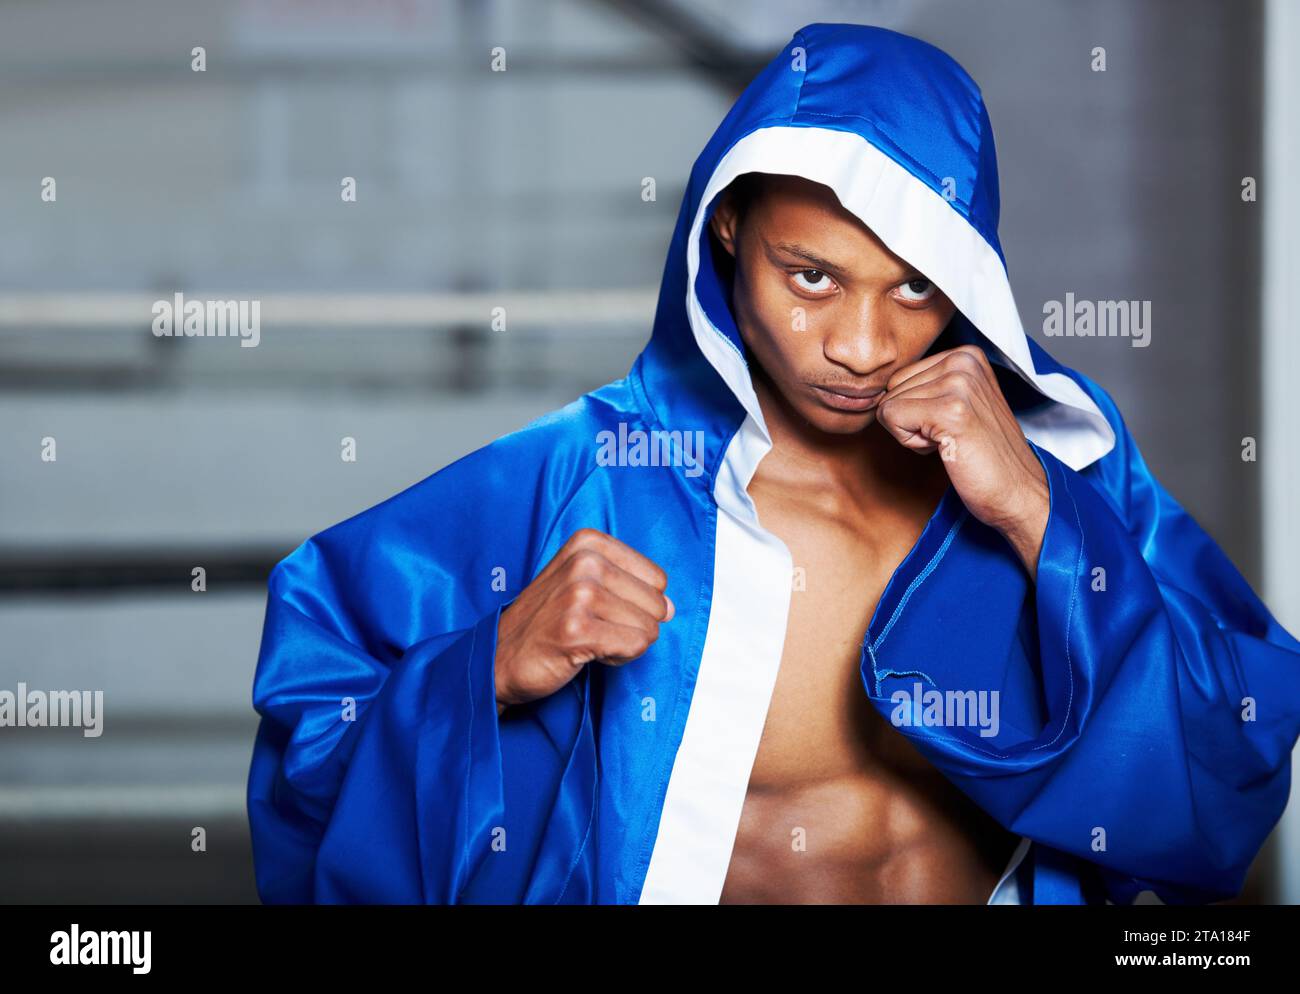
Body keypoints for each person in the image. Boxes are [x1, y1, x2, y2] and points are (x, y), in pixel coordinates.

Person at [246, 23, 1300, 905]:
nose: (862, 345)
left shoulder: (1062, 471)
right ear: (725, 233)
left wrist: (1036, 513)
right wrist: (485, 670)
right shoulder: (593, 476)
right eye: (811, 278)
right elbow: (314, 745)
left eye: (914, 289)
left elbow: (1232, 774)